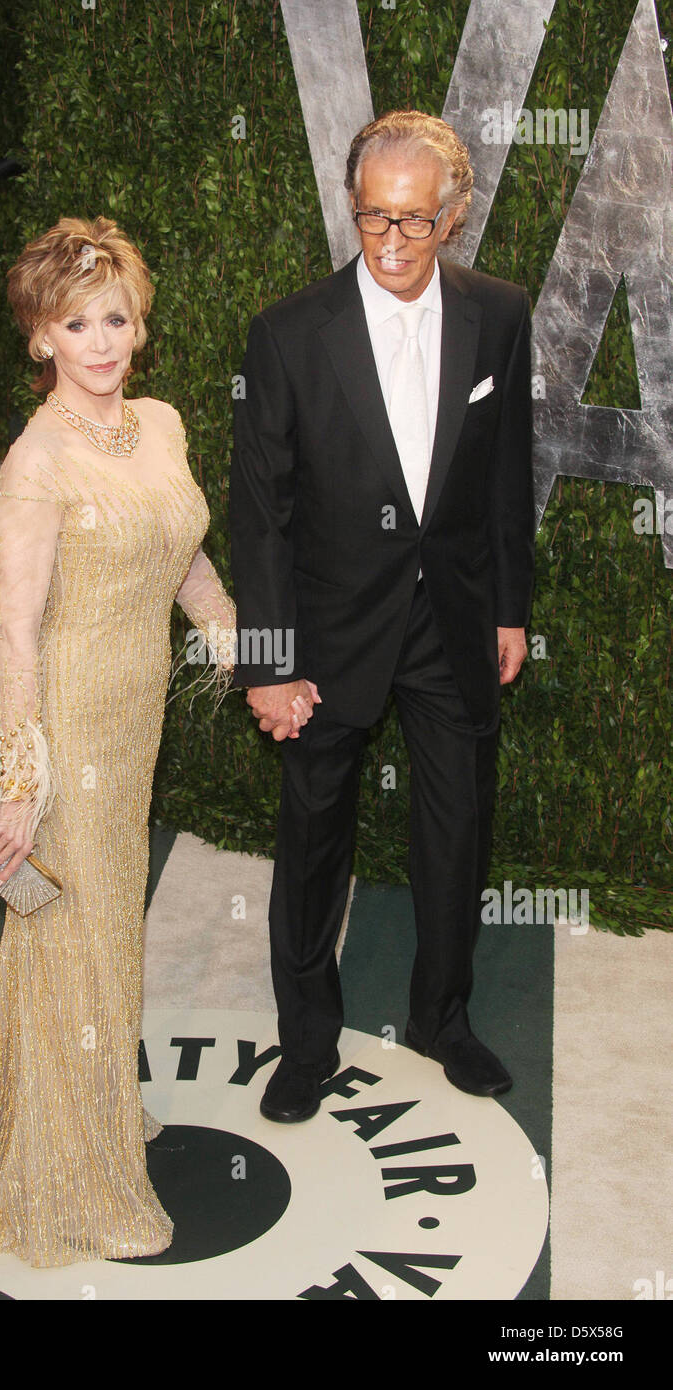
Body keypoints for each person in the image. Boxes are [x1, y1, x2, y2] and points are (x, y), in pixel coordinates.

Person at [0, 215, 246, 1266]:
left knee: (99, 925)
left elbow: (184, 559)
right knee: (74, 932)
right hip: (70, 718)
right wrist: (19, 780)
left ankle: (85, 1106)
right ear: (40, 336)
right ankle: (80, 1170)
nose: (101, 341)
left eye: (117, 317)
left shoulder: (163, 425)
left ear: (140, 326)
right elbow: (15, 625)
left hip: (136, 725)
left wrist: (238, 641)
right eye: (76, 322)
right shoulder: (36, 461)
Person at [229, 110, 534, 1122]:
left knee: (456, 829)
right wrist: (266, 661)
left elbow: (501, 480)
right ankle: (305, 1042)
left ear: (451, 216)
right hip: (323, 635)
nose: (392, 243)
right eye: (372, 219)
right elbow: (258, 516)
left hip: (449, 621)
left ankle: (442, 1019)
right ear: (352, 211)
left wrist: (507, 608)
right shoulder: (285, 333)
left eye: (413, 220)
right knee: (312, 839)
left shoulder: (497, 313)